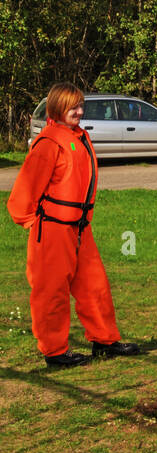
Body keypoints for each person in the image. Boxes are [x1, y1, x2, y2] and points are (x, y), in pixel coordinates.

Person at [6, 82, 139, 368]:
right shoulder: (49, 141)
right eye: (72, 107)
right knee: (51, 290)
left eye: (80, 106)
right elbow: (24, 192)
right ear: (58, 108)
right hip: (52, 229)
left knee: (95, 286)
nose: (79, 112)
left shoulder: (77, 137)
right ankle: (55, 352)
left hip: (79, 228)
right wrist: (32, 222)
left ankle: (104, 340)